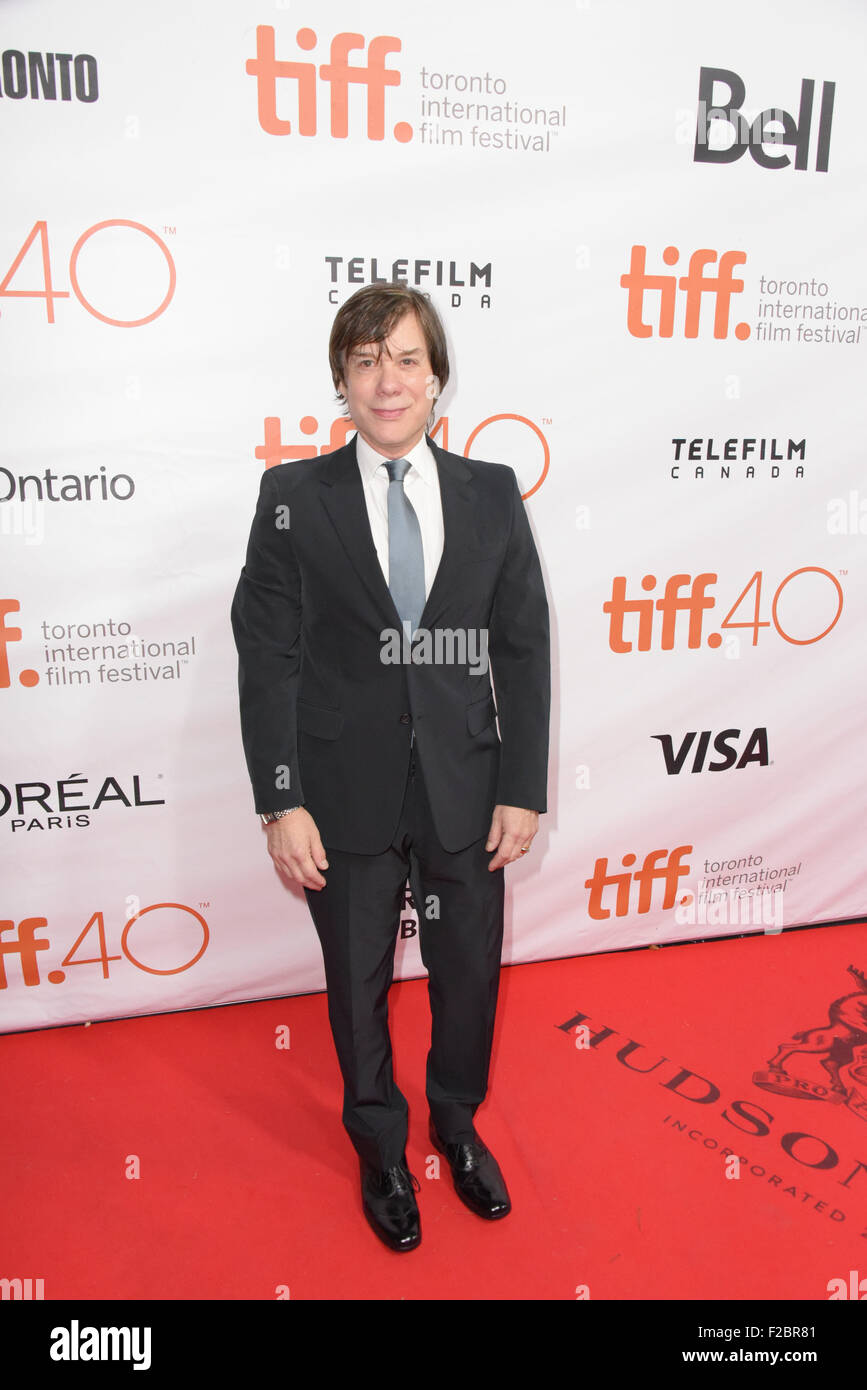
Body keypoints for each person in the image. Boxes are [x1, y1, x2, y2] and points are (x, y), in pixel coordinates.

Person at [231, 283, 550, 1251]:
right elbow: (268, 655)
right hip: (342, 790)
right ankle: (379, 1147)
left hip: (466, 784)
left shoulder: (491, 491)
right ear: (342, 379)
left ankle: (455, 1123)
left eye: (407, 359)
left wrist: (522, 785)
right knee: (356, 984)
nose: (387, 380)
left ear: (436, 377)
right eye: (366, 361)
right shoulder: (293, 498)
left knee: (468, 973)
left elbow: (521, 645)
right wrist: (280, 801)